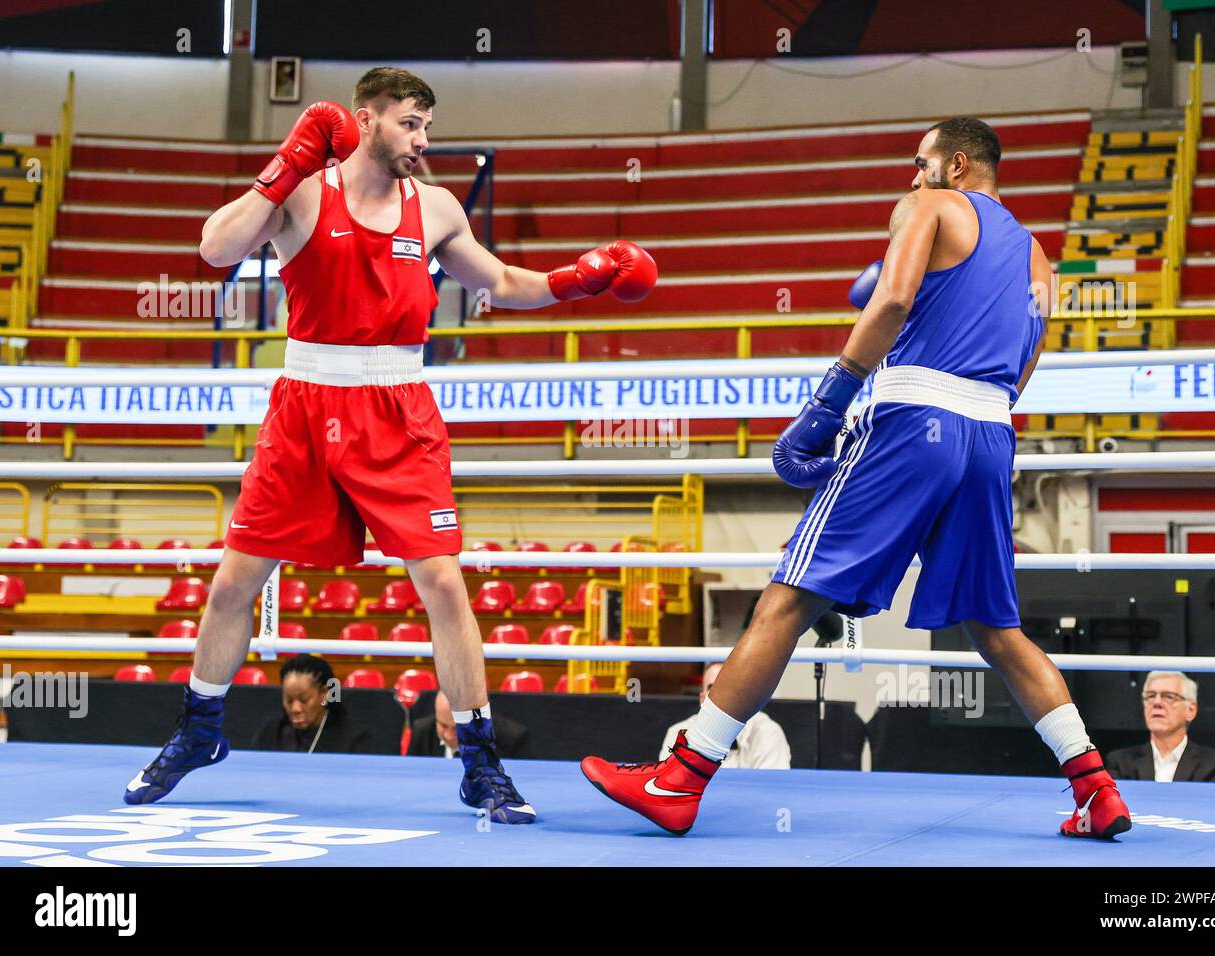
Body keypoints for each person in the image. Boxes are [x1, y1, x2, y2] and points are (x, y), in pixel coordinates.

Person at [123, 67, 657, 825]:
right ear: (366, 119)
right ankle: (198, 731)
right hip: (305, 406)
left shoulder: (434, 206)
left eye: (427, 126)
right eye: (409, 123)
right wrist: (285, 163)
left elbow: (500, 280)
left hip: (398, 410)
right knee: (234, 581)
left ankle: (480, 764)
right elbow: (214, 249)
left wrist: (582, 279)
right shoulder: (305, 191)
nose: (422, 140)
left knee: (442, 584)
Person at [583, 116, 1132, 840]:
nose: (911, 178)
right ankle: (1096, 789)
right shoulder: (1039, 258)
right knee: (996, 628)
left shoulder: (932, 206)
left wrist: (827, 405)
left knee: (787, 599)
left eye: (921, 162)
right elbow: (1022, 366)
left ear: (957, 166)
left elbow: (893, 301)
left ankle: (678, 777)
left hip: (914, 425)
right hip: (991, 435)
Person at [1105, 671, 1215, 783]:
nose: (1156, 703)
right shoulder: (1120, 762)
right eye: (1150, 696)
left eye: (1168, 696)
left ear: (1191, 710)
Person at [661, 663, 789, 769]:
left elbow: (770, 791)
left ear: (743, 693)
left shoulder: (767, 733)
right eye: (712, 688)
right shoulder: (677, 734)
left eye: (728, 685)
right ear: (702, 699)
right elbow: (669, 792)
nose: (720, 694)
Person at [251, 654, 373, 754]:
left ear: (325, 693)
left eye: (304, 700)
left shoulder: (354, 740)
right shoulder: (271, 733)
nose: (295, 709)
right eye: (289, 700)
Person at [408, 690, 529, 758]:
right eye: (443, 726)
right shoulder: (422, 731)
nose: (448, 736)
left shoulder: (511, 738)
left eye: (457, 728)